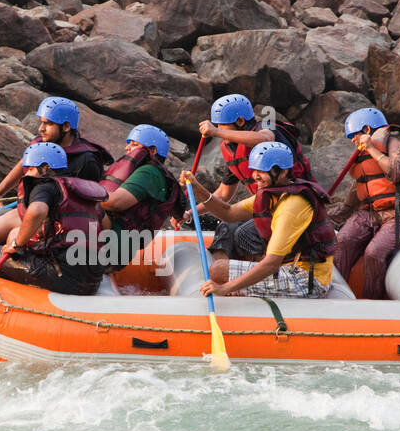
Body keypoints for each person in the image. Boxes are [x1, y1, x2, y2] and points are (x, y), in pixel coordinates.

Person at [0, 96, 113, 256]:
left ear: (65, 127)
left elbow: (89, 206)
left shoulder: (87, 161)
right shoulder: (44, 142)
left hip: (59, 223)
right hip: (36, 206)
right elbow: (23, 165)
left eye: (47, 124)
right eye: (41, 122)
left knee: (2, 223)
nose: (41, 129)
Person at [180, 141, 338, 298]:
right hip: (291, 267)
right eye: (254, 170)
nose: (255, 176)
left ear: (283, 172)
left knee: (218, 270)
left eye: (262, 171)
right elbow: (228, 213)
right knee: (223, 259)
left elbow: (271, 263)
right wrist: (196, 187)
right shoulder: (275, 192)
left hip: (304, 281)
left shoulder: (291, 206)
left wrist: (225, 288)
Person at [0, 142, 107, 296]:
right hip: (93, 281)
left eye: (31, 169)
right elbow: (105, 224)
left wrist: (17, 244)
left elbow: (37, 211)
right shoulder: (82, 191)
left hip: (62, 277)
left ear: (46, 168)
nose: (26, 175)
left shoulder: (45, 186)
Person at [196, 93, 315, 262]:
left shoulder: (266, 129)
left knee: (245, 233)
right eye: (218, 127)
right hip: (264, 205)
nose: (221, 133)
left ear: (240, 122)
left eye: (223, 127)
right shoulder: (233, 147)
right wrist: (189, 212)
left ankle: (261, 277)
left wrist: (216, 132)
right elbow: (223, 193)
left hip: (292, 202)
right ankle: (220, 278)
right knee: (225, 228)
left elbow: (264, 139)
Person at [329, 107, 400, 299]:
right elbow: (362, 184)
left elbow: (396, 172)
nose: (352, 141)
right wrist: (340, 211)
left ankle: (371, 303)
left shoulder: (394, 138)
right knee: (343, 240)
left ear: (366, 130)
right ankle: (335, 297)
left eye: (354, 135)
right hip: (369, 214)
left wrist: (372, 148)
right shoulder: (364, 154)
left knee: (374, 252)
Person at [98, 125, 186, 271]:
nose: (127, 148)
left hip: (114, 245)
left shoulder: (150, 172)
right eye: (129, 143)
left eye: (134, 145)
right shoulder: (152, 173)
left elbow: (113, 203)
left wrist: (81, 194)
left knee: (83, 206)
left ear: (152, 151)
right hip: (120, 246)